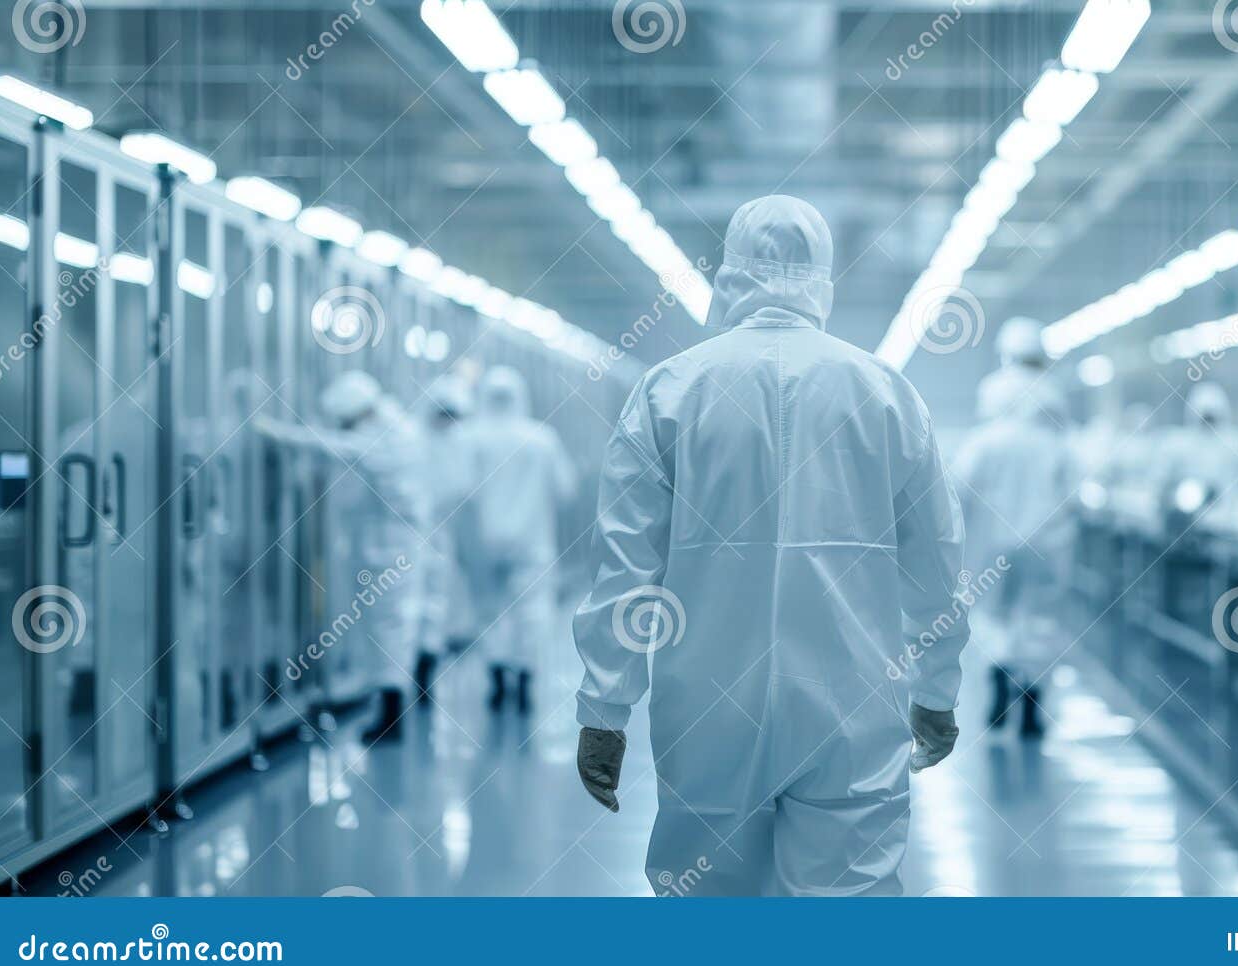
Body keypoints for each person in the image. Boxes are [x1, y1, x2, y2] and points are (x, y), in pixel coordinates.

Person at [571, 195, 967, 896]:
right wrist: (937, 688)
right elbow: (935, 559)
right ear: (823, 276)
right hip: (850, 706)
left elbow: (626, 568)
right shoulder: (885, 394)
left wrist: (605, 708)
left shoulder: (670, 390)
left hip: (709, 708)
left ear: (729, 274)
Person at [256, 370, 429, 744]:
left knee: (388, 629)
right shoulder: (396, 427)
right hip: (389, 544)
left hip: (390, 548)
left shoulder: (387, 436)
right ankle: (389, 710)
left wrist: (275, 431)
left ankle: (391, 717)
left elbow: (333, 446)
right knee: (388, 628)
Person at [953, 368, 1077, 739]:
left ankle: (999, 677)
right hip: (1046, 547)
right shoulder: (1055, 444)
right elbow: (1077, 497)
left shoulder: (984, 441)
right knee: (1038, 621)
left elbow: (955, 490)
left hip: (992, 547)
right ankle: (1031, 696)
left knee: (993, 616)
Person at [456, 365, 577, 714]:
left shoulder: (470, 437)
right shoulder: (542, 439)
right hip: (532, 542)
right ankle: (524, 675)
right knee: (532, 610)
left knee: (488, 610)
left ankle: (496, 675)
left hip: (481, 541)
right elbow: (565, 490)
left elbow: (458, 490)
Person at [415, 375, 476, 704]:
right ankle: (412, 670)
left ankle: (424, 668)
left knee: (433, 604)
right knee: (414, 608)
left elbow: (462, 489)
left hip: (438, 535)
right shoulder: (416, 441)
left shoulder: (456, 444)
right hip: (411, 538)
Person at [1153, 382, 1238, 510]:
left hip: (1228, 516)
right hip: (1184, 516)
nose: (1208, 421)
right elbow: (1160, 477)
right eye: (1205, 416)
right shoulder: (1177, 444)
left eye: (1212, 416)